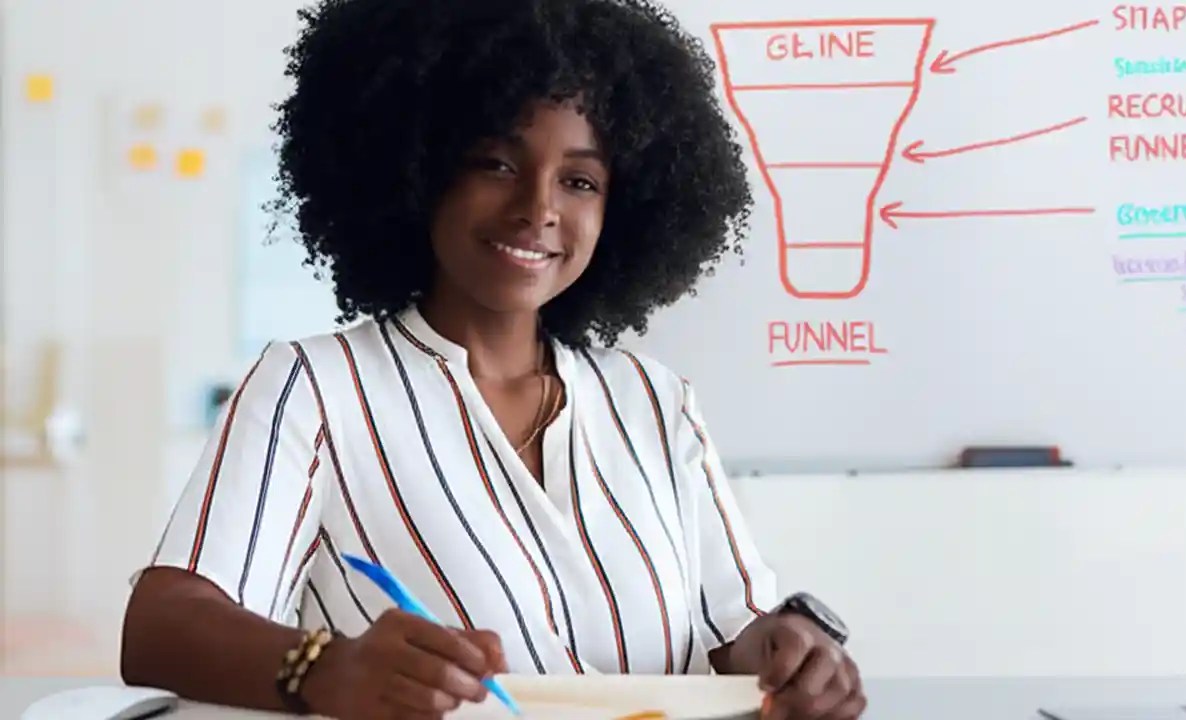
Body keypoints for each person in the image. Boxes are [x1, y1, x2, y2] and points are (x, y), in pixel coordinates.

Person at [120, 0, 867, 718]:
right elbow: (162, 627)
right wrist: (324, 669)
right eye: (496, 164)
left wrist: (791, 654)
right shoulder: (315, 389)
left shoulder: (654, 399)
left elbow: (736, 632)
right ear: (418, 174)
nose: (539, 207)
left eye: (579, 180)